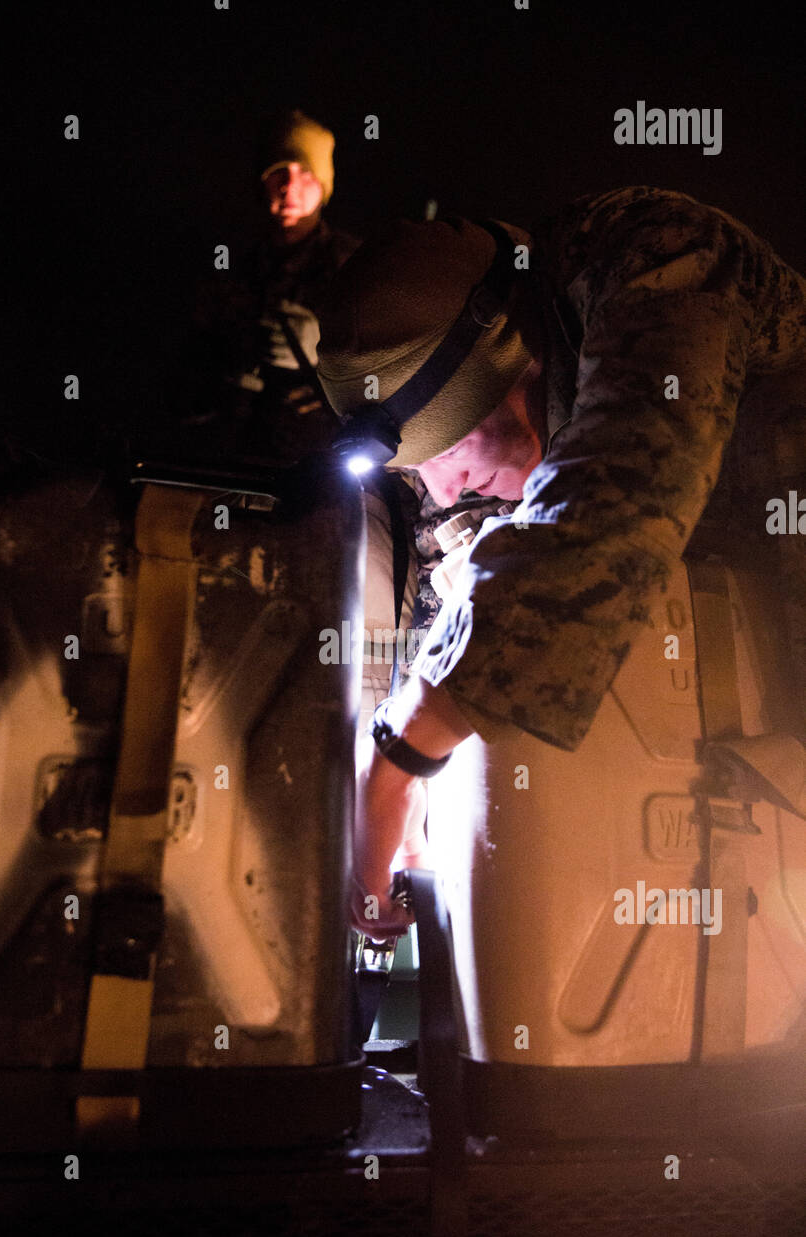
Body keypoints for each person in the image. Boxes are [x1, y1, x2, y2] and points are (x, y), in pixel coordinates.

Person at [315, 186, 806, 938]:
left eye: (448, 446)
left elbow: (621, 491)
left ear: (517, 358)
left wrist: (400, 758)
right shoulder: (480, 441)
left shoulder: (662, 254)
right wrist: (408, 815)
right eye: (418, 471)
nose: (443, 488)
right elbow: (459, 595)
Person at [168, 108, 358, 459]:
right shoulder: (233, 263)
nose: (289, 186)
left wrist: (325, 350)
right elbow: (187, 355)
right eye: (278, 172)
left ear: (324, 184)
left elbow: (387, 371)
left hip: (318, 457)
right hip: (232, 451)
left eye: (306, 174)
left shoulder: (355, 266)